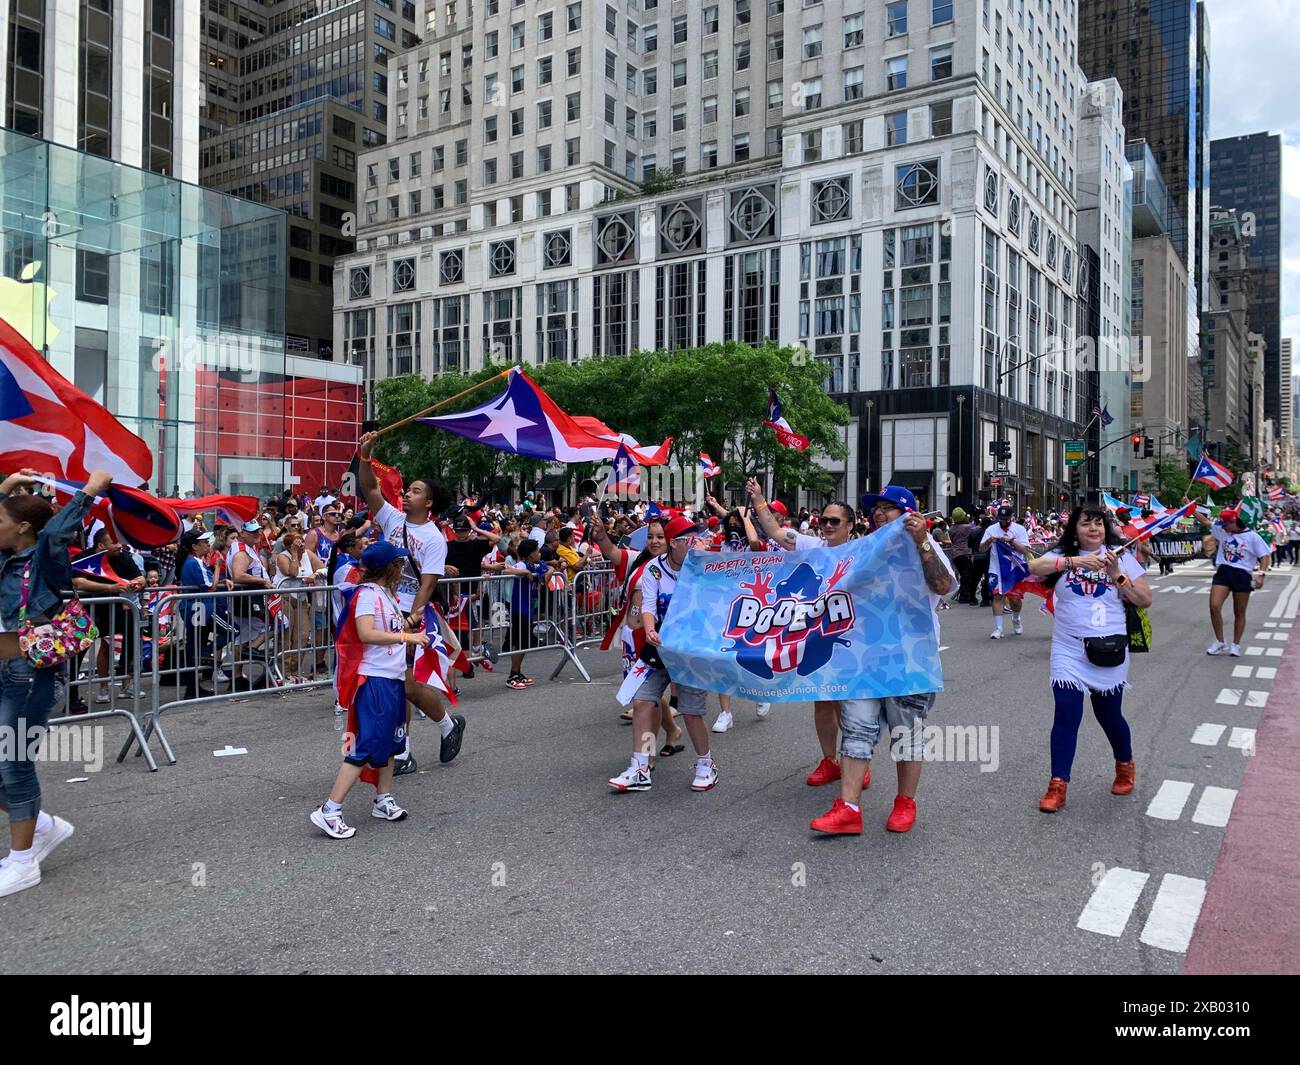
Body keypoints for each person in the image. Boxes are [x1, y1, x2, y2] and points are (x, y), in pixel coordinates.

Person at [810, 486, 955, 835]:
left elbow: (943, 586)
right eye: (876, 508)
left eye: (889, 508)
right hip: (864, 657)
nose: (879, 513)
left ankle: (905, 802)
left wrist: (922, 541)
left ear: (909, 514)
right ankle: (848, 808)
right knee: (857, 728)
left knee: (906, 734)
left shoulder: (925, 545)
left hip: (910, 657)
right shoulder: (864, 549)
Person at [0, 468, 112, 898]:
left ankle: (23, 860)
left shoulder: (44, 559)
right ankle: (44, 826)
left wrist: (89, 490)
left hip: (28, 676)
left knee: (13, 763)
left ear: (23, 528)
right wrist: (9, 484)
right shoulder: (5, 557)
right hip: (4, 674)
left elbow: (54, 532)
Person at [1026, 505, 1152, 812]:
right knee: (1066, 714)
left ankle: (1125, 764)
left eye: (1098, 523)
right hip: (1068, 649)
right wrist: (1075, 561)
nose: (1093, 528)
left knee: (1108, 715)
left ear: (1106, 528)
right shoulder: (1062, 555)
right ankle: (1058, 784)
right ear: (1075, 529)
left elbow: (1144, 599)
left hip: (1109, 647)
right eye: (1086, 523)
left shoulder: (1121, 557)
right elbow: (1034, 567)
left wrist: (1117, 574)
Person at [357, 431, 464, 772]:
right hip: (383, 607)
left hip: (407, 613)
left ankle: (440, 728)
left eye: (416, 491)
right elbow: (370, 488)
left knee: (406, 684)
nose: (407, 493)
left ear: (429, 503)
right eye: (409, 489)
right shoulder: (392, 518)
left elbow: (428, 584)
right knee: (395, 683)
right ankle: (406, 749)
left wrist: (413, 619)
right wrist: (365, 455)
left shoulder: (434, 538)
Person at [310, 541, 429, 839]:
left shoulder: (385, 593)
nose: (403, 569)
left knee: (392, 742)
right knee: (365, 745)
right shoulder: (366, 595)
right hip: (375, 680)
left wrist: (411, 622)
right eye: (399, 564)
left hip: (392, 677)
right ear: (388, 567)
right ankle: (329, 810)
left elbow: (390, 626)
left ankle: (383, 799)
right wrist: (407, 637)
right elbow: (365, 633)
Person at [607, 515, 719, 794]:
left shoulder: (701, 567)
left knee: (691, 713)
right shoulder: (654, 568)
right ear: (674, 543)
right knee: (643, 702)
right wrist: (649, 630)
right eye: (689, 540)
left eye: (696, 539)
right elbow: (648, 605)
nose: (694, 543)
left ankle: (706, 765)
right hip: (658, 647)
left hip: (691, 651)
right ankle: (640, 766)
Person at [1192, 506, 1271, 657]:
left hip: (1242, 574)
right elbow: (1206, 522)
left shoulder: (1252, 537)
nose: (1223, 528)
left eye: (1226, 525)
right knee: (1214, 606)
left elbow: (1264, 556)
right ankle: (1220, 642)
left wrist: (1261, 575)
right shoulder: (1223, 531)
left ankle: (1236, 645)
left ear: (1234, 522)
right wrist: (1191, 509)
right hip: (1223, 572)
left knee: (1239, 612)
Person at [980, 505, 1031, 638]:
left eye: (1006, 519)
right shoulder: (991, 529)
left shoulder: (1019, 529)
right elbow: (981, 549)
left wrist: (1012, 541)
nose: (1003, 521)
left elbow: (1025, 550)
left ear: (1011, 518)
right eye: (1001, 519)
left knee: (1015, 600)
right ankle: (998, 628)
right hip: (996, 568)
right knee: (997, 596)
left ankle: (1016, 619)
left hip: (1014, 569)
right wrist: (989, 540)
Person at [947, 508, 976, 604]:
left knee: (963, 574)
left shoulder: (951, 529)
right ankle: (965, 596)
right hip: (965, 553)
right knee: (968, 575)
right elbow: (977, 531)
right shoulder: (969, 527)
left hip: (955, 554)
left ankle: (963, 594)